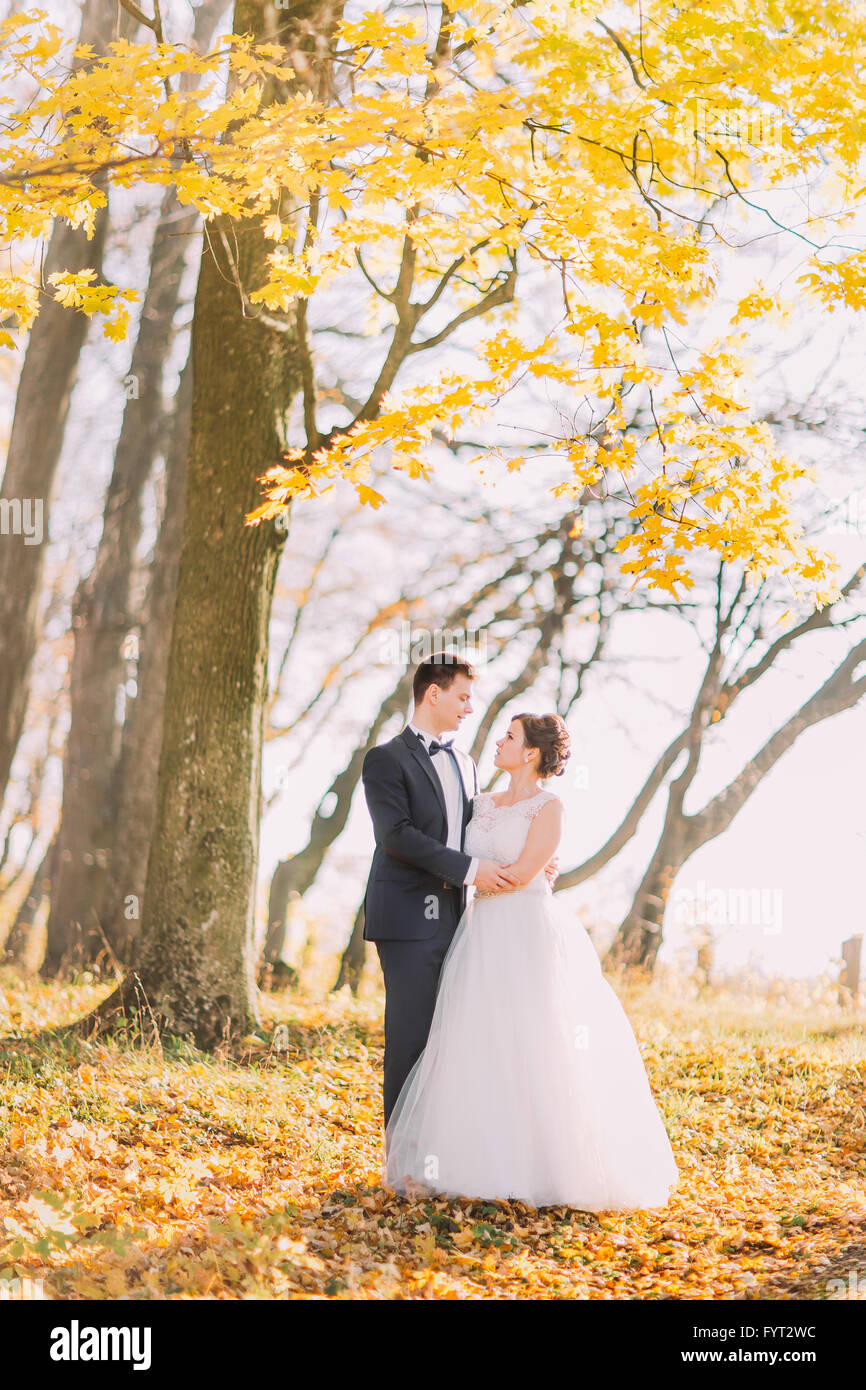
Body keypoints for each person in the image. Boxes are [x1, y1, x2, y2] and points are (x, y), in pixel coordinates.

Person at [382, 712, 679, 1211]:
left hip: (526, 932)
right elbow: (455, 856)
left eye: (510, 737)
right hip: (477, 936)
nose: (498, 742)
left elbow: (523, 873)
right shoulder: (480, 804)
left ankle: (544, 1166)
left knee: (533, 1041)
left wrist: (487, 873)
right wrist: (475, 872)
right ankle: (467, 1160)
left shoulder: (549, 807)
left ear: (532, 754)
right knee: (472, 1040)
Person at [361, 656, 557, 1126]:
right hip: (408, 918)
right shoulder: (385, 759)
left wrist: (535, 858)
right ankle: (402, 1162)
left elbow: (480, 830)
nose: (470, 707)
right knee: (410, 1035)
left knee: (451, 1038)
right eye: (463, 697)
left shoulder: (467, 765)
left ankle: (441, 1148)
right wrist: (472, 870)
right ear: (434, 693)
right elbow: (398, 836)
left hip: (463, 921)